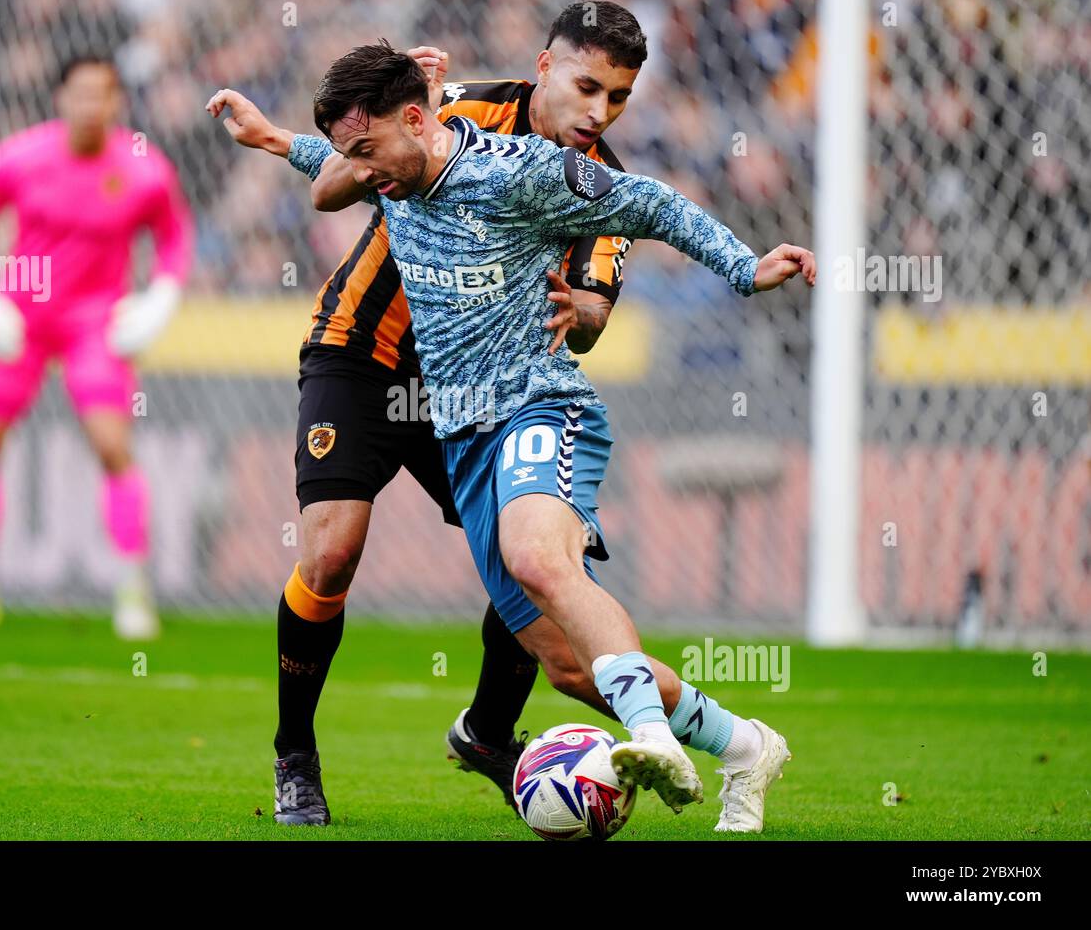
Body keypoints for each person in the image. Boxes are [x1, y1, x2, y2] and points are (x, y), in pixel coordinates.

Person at [262, 42, 814, 832]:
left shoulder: (519, 170)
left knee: (536, 559)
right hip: (465, 438)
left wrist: (741, 266)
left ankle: (652, 739)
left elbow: (649, 203)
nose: (361, 173)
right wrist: (276, 141)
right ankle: (744, 744)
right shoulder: (395, 168)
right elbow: (334, 164)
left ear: (417, 120)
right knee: (565, 664)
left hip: (541, 407)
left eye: (368, 153)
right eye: (355, 157)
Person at [209, 2, 646, 826]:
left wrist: (581, 313)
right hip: (363, 355)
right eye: (587, 87)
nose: (598, 113)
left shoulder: (602, 188)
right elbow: (333, 187)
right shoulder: (465, 108)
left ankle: (487, 732)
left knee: (540, 563)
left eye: (618, 98)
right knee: (332, 554)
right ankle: (294, 755)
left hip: (476, 388)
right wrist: (398, 138)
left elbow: (591, 312)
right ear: (545, 68)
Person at [0, 55, 193, 641]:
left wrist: (162, 297)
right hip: (19, 315)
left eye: (102, 94)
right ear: (60, 98)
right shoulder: (19, 156)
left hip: (94, 322)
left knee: (111, 446)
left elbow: (175, 237)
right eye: (80, 94)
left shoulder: (143, 167)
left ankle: (132, 591)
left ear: (116, 101)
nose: (90, 106)